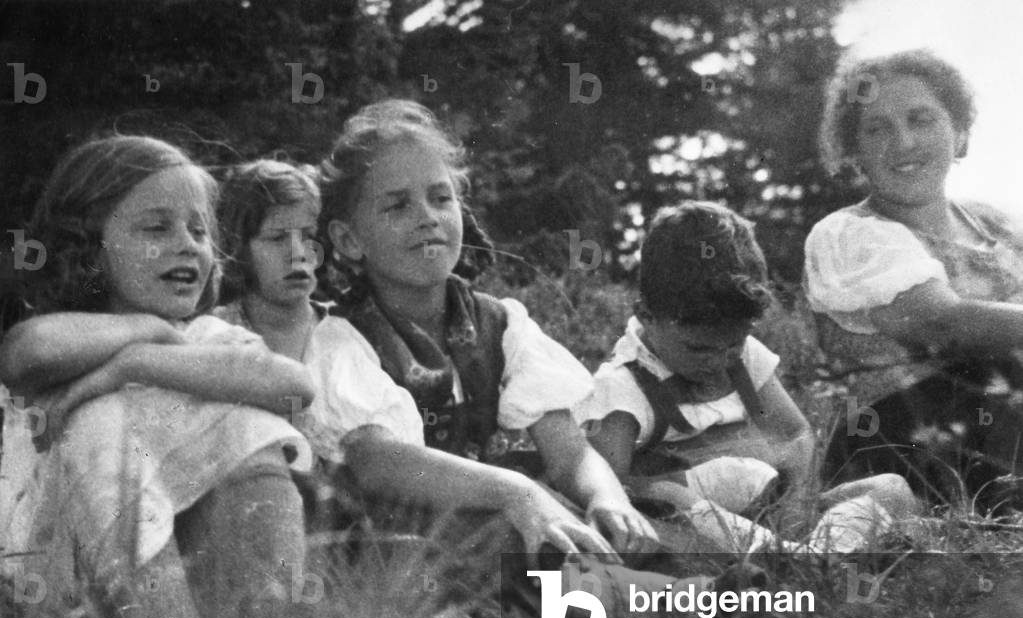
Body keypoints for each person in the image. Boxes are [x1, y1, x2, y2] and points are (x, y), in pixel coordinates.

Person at [0, 135, 315, 618]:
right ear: (90, 247)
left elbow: (294, 386)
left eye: (199, 231)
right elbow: (27, 352)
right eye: (157, 229)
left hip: (204, 580)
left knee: (251, 417)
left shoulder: (204, 340)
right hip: (63, 591)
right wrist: (145, 332)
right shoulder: (71, 334)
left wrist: (139, 361)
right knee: (99, 421)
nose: (187, 246)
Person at [212, 157, 623, 561]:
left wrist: (597, 493)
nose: (297, 253)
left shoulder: (351, 324)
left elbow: (566, 450)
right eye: (276, 238)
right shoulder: (243, 335)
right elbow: (369, 460)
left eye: (307, 238)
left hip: (436, 494)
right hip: (326, 508)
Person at [311, 99, 661, 560]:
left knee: (607, 508)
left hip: (485, 500)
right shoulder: (340, 336)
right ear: (348, 240)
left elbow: (568, 452)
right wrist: (516, 490)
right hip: (396, 528)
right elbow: (376, 461)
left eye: (441, 198)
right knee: (512, 536)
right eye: (397, 206)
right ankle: (659, 593)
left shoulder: (498, 323)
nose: (427, 216)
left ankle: (702, 574)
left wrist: (605, 496)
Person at [580, 201, 918, 554]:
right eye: (699, 349)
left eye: (734, 344)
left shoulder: (743, 358)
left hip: (770, 510)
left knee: (891, 488)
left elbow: (795, 434)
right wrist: (693, 483)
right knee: (669, 497)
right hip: (697, 525)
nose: (718, 361)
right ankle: (801, 558)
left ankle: (813, 556)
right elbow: (609, 490)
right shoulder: (623, 387)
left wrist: (797, 501)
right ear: (646, 315)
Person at [805, 49, 1023, 513]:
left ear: (959, 132)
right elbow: (942, 325)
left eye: (921, 119)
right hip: (901, 445)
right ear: (854, 150)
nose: (902, 142)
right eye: (877, 128)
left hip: (998, 423)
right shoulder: (849, 233)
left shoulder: (997, 226)